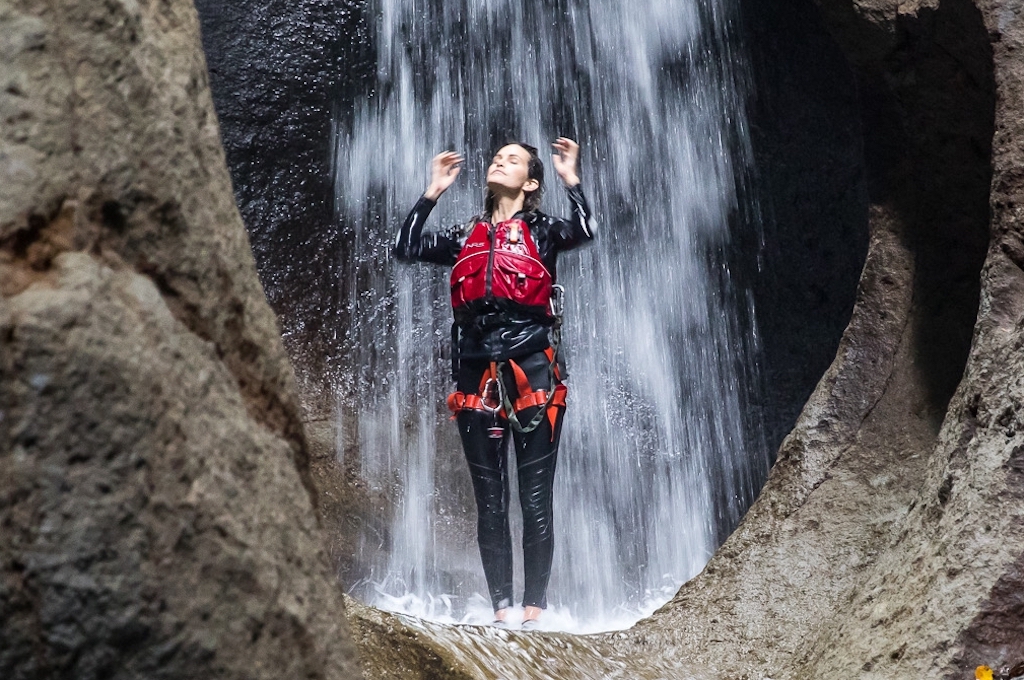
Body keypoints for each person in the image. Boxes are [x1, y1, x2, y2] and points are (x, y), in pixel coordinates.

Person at [393, 138, 594, 628]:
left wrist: (572, 181)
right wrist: (432, 192)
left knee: (534, 497)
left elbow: (586, 231)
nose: (498, 161)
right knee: (490, 502)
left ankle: (534, 612)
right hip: (474, 371)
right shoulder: (466, 235)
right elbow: (404, 249)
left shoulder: (543, 231)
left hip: (534, 369)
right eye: (496, 157)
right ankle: (502, 611)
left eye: (513, 159)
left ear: (530, 182)